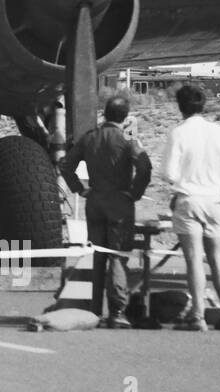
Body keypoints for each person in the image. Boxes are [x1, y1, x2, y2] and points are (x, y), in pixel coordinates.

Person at [61, 96, 152, 328]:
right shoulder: (127, 136)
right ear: (125, 116)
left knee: (97, 257)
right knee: (118, 257)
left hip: (95, 201)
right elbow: (144, 166)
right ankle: (117, 311)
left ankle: (93, 310)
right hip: (120, 203)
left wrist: (80, 190)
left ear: (105, 114)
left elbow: (66, 165)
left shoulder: (90, 137)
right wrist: (134, 192)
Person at [159, 83, 220, 331]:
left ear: (180, 106)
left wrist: (184, 180)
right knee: (217, 259)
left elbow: (168, 172)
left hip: (189, 199)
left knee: (194, 259)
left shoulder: (179, 132)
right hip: (215, 200)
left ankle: (198, 315)